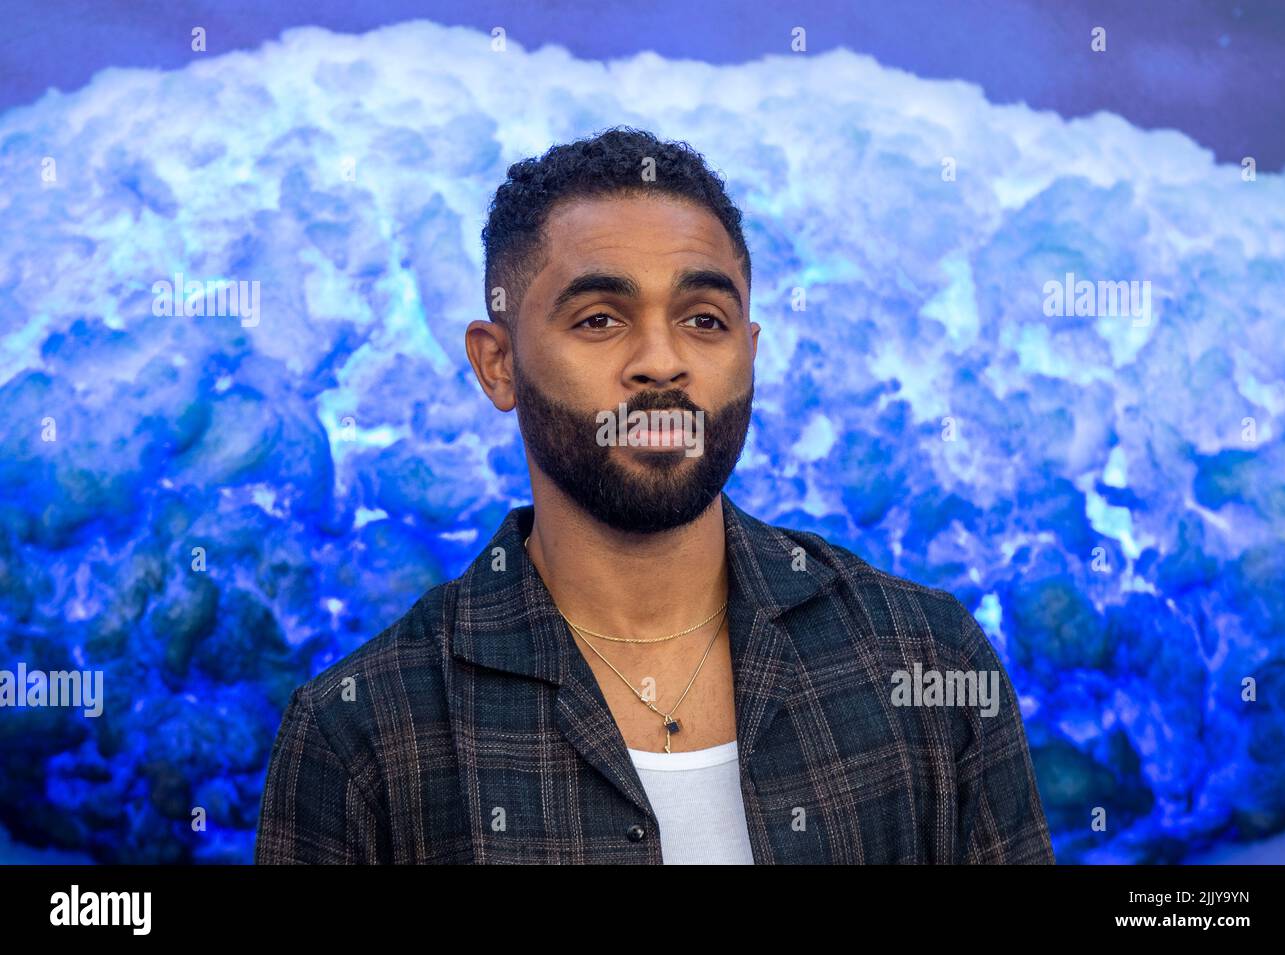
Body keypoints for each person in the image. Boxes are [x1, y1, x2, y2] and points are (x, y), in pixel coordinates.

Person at [255, 126, 1054, 864]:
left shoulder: (925, 661)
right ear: (497, 364)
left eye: (704, 320)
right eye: (601, 318)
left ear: (750, 352)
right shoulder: (361, 733)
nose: (662, 361)